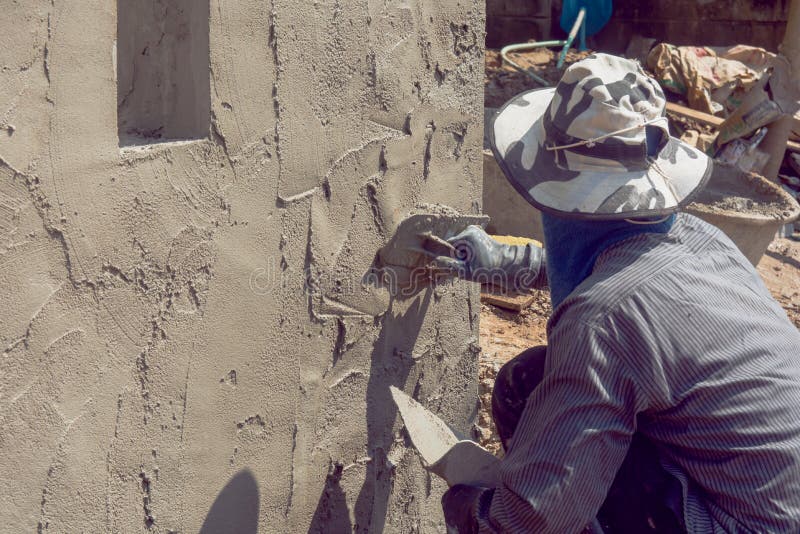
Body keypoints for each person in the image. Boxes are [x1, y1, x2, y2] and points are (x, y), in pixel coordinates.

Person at [435, 54, 800, 533]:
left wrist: (473, 511)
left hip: (750, 524)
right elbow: (626, 281)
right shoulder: (696, 235)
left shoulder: (601, 321)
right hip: (769, 491)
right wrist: (507, 265)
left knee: (537, 422)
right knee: (530, 381)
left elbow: (531, 520)